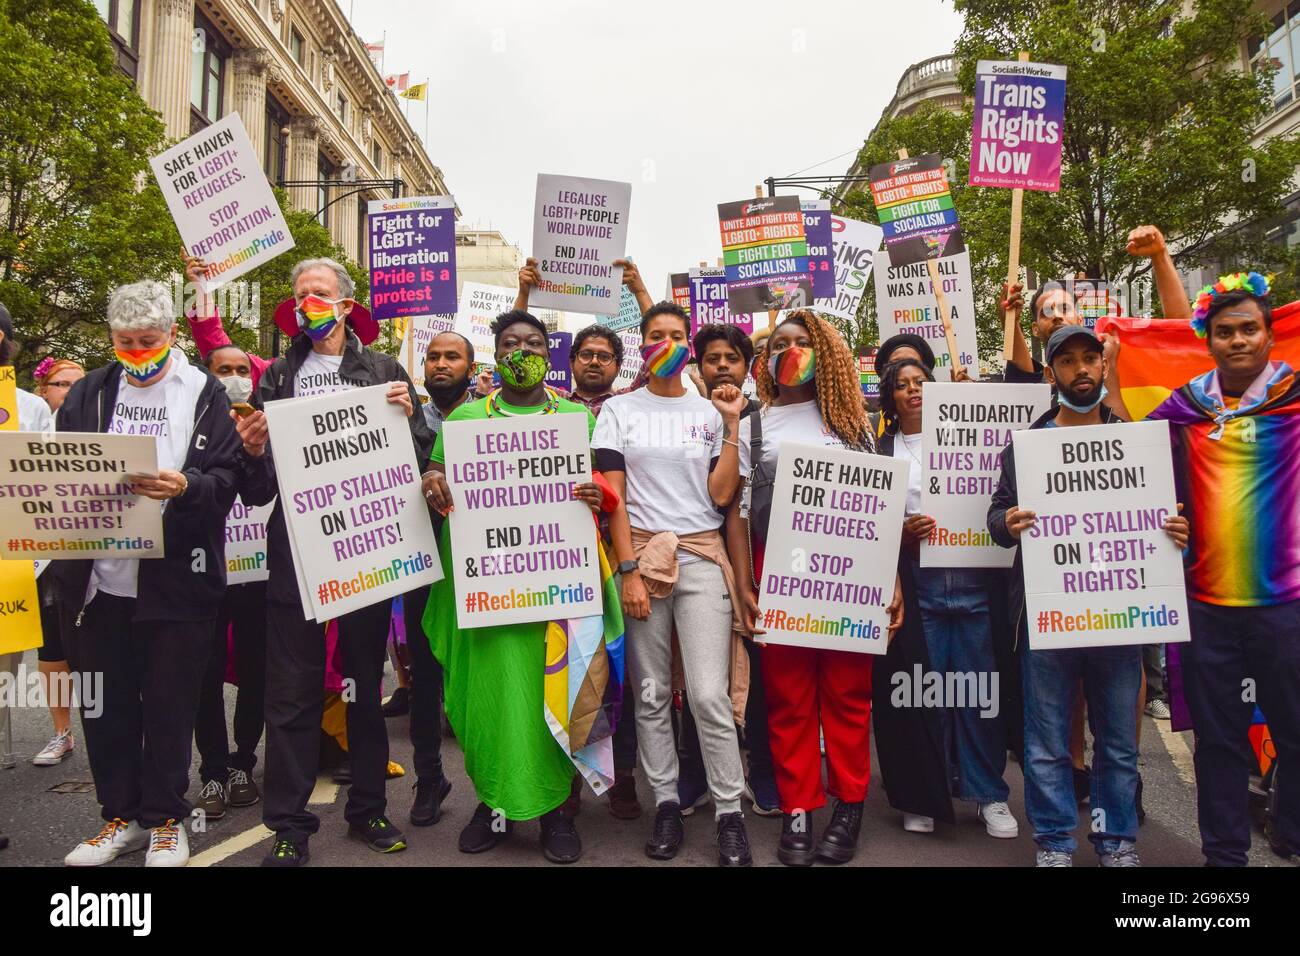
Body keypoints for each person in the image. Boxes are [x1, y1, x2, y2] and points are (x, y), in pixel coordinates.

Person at [231, 257, 431, 867]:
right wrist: (254, 453)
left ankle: (368, 807)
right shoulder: (276, 377)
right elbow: (257, 490)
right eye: (300, 296)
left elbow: (417, 459)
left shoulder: (384, 370)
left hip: (367, 548)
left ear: (346, 305)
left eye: (320, 294)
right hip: (296, 554)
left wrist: (412, 416)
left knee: (363, 687)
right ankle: (289, 826)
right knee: (291, 693)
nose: (309, 303)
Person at [53, 280, 243, 867]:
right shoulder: (87, 392)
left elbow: (228, 479)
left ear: (172, 335)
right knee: (105, 707)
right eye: (126, 341)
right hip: (99, 583)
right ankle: (120, 819)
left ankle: (165, 820)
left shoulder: (205, 392)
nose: (138, 351)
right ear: (112, 339)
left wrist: (186, 486)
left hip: (176, 584)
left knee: (169, 706)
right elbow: (61, 471)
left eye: (149, 340)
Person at [987, 326, 1189, 867]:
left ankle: (1117, 839)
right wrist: (1006, 522)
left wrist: (1176, 532)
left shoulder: (1136, 443)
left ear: (1103, 367)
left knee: (1119, 742)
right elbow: (995, 517)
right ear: (1051, 373)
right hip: (1049, 616)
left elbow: (1170, 515)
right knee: (1047, 742)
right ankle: (1054, 841)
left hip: (1120, 616)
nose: (1080, 370)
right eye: (1068, 361)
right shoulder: (1026, 446)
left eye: (1089, 359)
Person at [420, 309, 614, 864]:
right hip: (489, 594)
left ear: (549, 353)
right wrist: (433, 480)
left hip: (555, 596)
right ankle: (494, 806)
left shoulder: (578, 418)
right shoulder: (463, 420)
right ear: (496, 353)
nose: (522, 350)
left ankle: (555, 813)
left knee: (551, 698)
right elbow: (436, 480)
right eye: (510, 343)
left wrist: (597, 494)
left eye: (533, 342)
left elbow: (604, 485)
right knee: (491, 704)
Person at [728, 310, 903, 865]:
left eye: (803, 342)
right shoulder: (753, 423)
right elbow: (734, 511)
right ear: (765, 358)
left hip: (851, 575)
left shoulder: (854, 425)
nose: (791, 350)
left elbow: (881, 506)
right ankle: (799, 806)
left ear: (824, 354)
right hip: (777, 570)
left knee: (849, 695)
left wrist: (891, 576)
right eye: (780, 343)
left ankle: (849, 802)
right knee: (787, 696)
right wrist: (746, 584)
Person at [1140, 272, 1300, 865]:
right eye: (1225, 332)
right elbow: (1129, 459)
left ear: (1268, 336)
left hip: (1286, 602)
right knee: (1219, 741)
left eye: (1249, 330)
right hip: (1207, 605)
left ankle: (1291, 834)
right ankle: (1224, 858)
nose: (1237, 341)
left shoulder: (1296, 398)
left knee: (1295, 730)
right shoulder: (1186, 406)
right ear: (1208, 340)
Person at [593, 301, 754, 866]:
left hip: (702, 558)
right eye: (655, 334)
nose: (667, 342)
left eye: (677, 335)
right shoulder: (617, 410)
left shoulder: (710, 412)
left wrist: (732, 426)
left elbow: (720, 496)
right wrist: (629, 571)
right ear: (641, 343)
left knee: (709, 695)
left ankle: (730, 813)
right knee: (653, 692)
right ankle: (665, 804)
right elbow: (612, 498)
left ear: (689, 344)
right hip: (641, 559)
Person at [878, 357, 1018, 839]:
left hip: (977, 579)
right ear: (891, 398)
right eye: (902, 385)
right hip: (919, 583)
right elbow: (870, 524)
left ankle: (988, 794)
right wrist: (900, 531)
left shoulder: (970, 435)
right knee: (925, 695)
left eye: (920, 382)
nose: (913, 390)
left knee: (978, 694)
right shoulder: (883, 450)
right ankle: (926, 795)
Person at [676, 322, 779, 818]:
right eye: (711, 357)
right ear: (698, 366)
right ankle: (693, 774)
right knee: (705, 681)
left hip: (760, 560)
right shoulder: (686, 417)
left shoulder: (766, 421)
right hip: (702, 559)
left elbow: (743, 503)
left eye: (731, 358)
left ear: (748, 367)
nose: (721, 365)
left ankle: (762, 771)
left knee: (759, 676)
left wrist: (748, 579)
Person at [191, 341, 266, 819]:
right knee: (205, 675)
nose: (235, 377)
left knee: (257, 672)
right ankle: (213, 771)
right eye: (224, 369)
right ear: (208, 375)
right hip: (204, 571)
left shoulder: (266, 428)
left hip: (259, 575)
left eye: (243, 369)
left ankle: (243, 762)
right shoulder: (192, 427)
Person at [26, 357, 84, 768]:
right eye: (61, 383)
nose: (70, 390)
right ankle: (62, 732)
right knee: (53, 648)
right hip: (45, 554)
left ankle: (119, 731)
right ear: (45, 390)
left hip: (95, 554)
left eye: (78, 383)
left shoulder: (101, 426)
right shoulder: (30, 430)